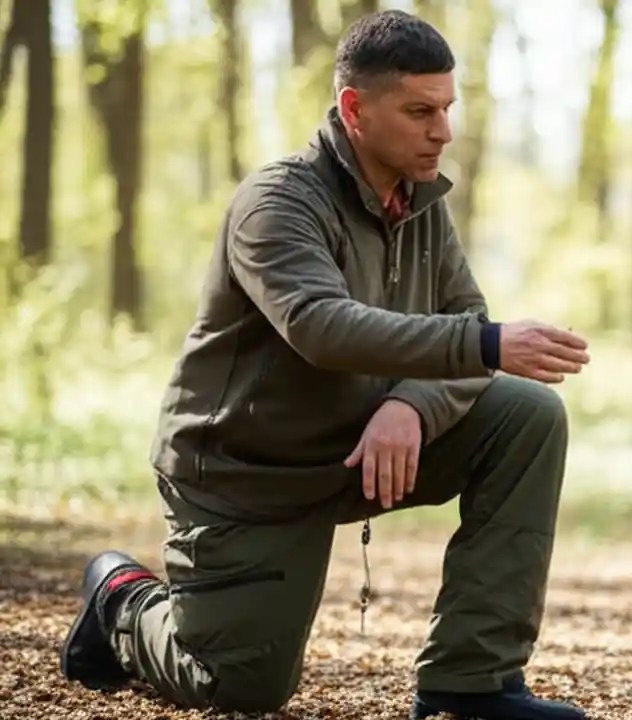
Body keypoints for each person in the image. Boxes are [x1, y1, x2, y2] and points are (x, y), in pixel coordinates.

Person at [58, 10, 590, 720]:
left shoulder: (422, 203)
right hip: (250, 472)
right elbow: (318, 326)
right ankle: (124, 602)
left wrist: (411, 405)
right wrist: (490, 344)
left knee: (526, 416)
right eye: (420, 111)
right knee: (242, 687)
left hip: (357, 448)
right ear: (354, 109)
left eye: (447, 108)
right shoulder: (276, 203)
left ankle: (473, 681)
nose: (443, 131)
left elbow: (462, 322)